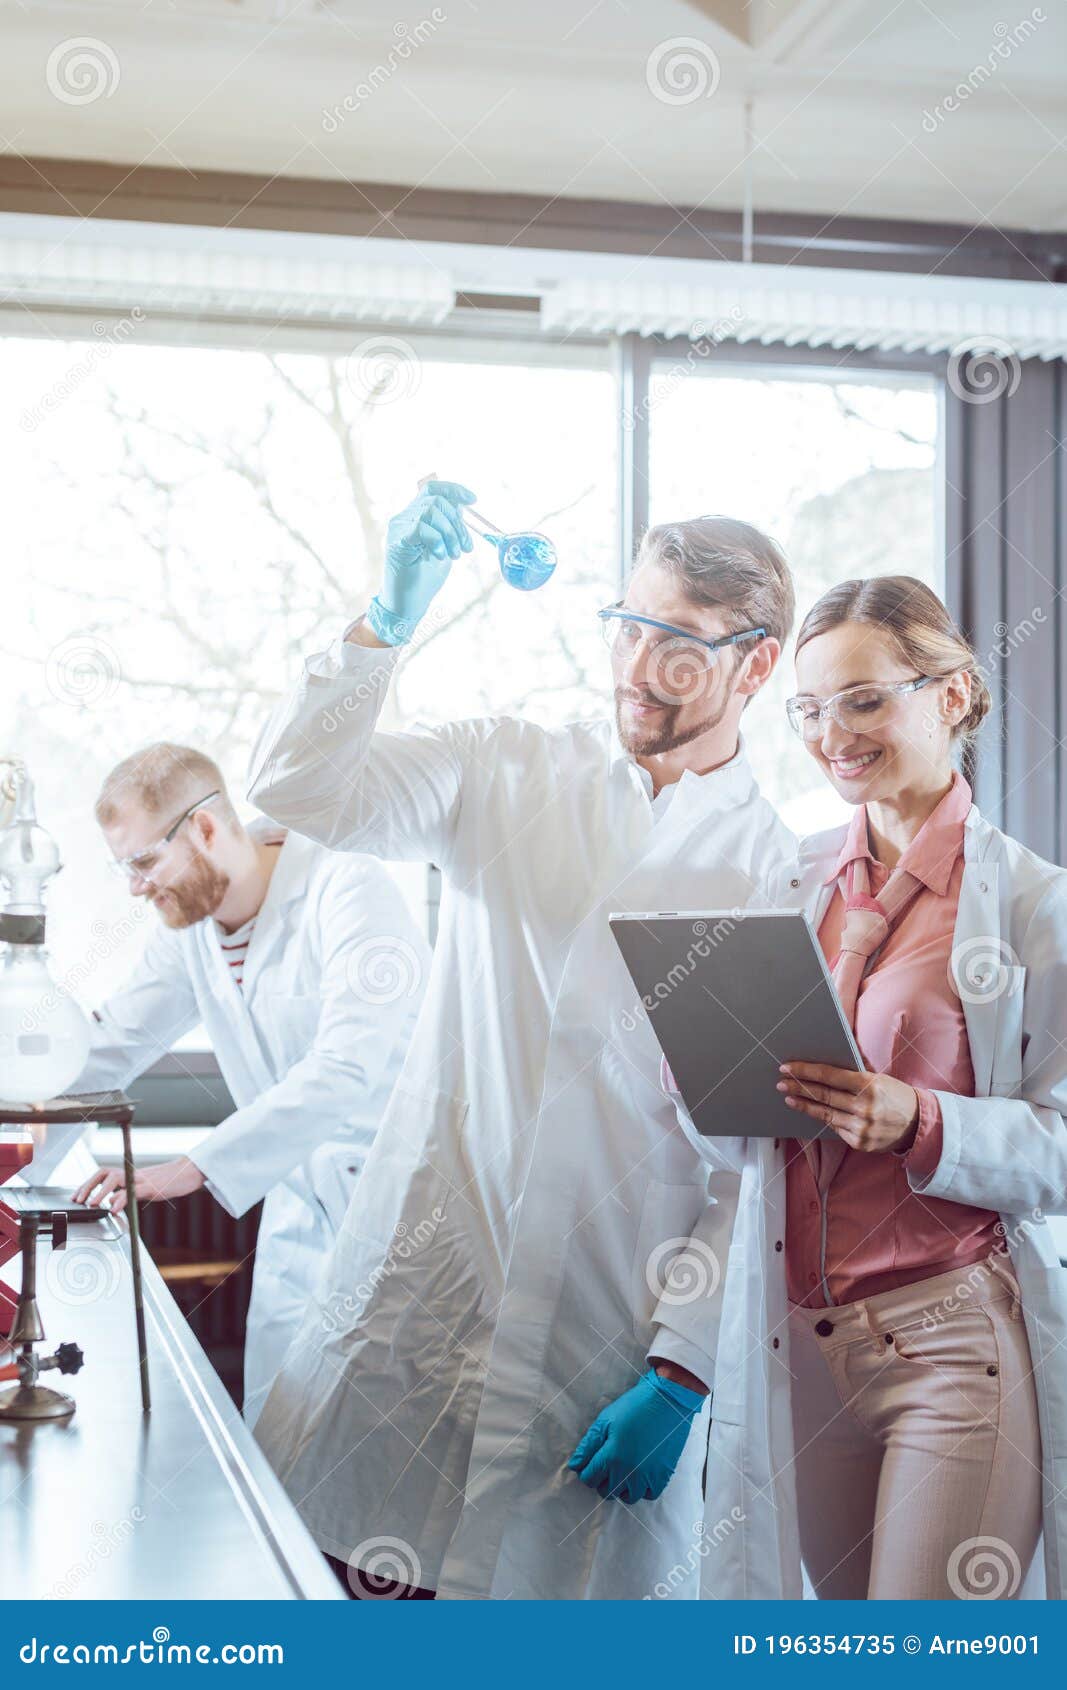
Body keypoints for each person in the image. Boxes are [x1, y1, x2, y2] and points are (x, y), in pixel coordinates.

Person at [247, 479, 797, 1600]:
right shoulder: (504, 769)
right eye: (628, 627)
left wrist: (681, 1368)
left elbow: (749, 1164)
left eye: (679, 643)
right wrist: (383, 619)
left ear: (756, 664)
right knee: (352, 1618)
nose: (637, 668)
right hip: (415, 1320)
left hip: (596, 1354)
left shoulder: (761, 874)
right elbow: (300, 785)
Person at [665, 576, 1067, 1600]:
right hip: (799, 1344)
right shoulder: (789, 882)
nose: (830, 733)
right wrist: (704, 1075)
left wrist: (920, 1120)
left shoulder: (1031, 904)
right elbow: (746, 1146)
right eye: (807, 708)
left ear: (953, 695)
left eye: (861, 699)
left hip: (948, 1340)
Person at [55, 742, 427, 1427]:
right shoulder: (191, 927)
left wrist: (194, 1167)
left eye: (143, 862)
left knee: (385, 1466)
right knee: (281, 1452)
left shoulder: (347, 886)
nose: (137, 888)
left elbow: (346, 1065)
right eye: (125, 870)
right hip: (297, 1221)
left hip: (395, 1220)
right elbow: (112, 1050)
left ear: (203, 828)